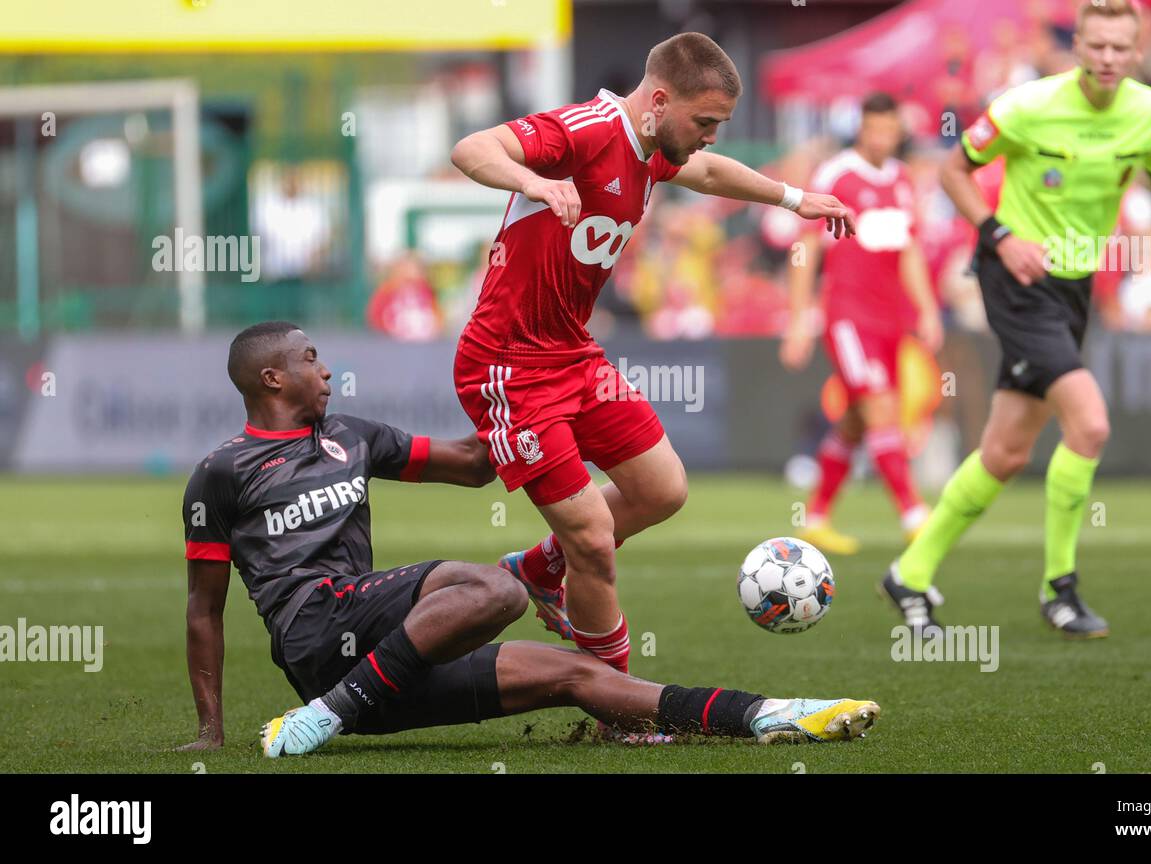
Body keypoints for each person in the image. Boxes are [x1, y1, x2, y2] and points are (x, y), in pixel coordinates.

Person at [179, 321, 881, 757]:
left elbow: (478, 464)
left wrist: (545, 400)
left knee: (581, 677)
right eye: (309, 358)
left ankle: (770, 716)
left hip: (377, 668)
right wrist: (210, 730)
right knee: (497, 586)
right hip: (314, 635)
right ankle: (329, 710)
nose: (325, 369)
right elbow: (203, 611)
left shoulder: (351, 437)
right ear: (272, 377)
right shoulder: (220, 474)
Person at [449, 33, 855, 672]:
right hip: (508, 364)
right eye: (705, 121)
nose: (712, 136)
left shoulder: (654, 145)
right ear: (660, 100)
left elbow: (710, 172)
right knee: (593, 542)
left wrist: (795, 199)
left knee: (662, 489)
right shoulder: (583, 131)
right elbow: (472, 148)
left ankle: (532, 570)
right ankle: (619, 702)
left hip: (573, 356)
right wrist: (536, 182)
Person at [881, 0, 1151, 638]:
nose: (1109, 58)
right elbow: (955, 171)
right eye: (1098, 46)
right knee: (1089, 423)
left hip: (1074, 288)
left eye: (1121, 48)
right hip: (1017, 277)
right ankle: (1060, 588)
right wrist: (1000, 235)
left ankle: (910, 573)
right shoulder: (1027, 106)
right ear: (1077, 47)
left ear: (1138, 53)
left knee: (1005, 452)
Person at [781, 92, 944, 554]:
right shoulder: (837, 175)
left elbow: (909, 250)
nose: (881, 138)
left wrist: (928, 309)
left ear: (898, 132)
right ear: (861, 130)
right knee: (879, 407)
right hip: (848, 316)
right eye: (873, 130)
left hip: (891, 318)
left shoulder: (901, 181)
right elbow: (806, 246)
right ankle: (914, 513)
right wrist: (798, 318)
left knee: (855, 420)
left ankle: (815, 518)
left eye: (888, 130)